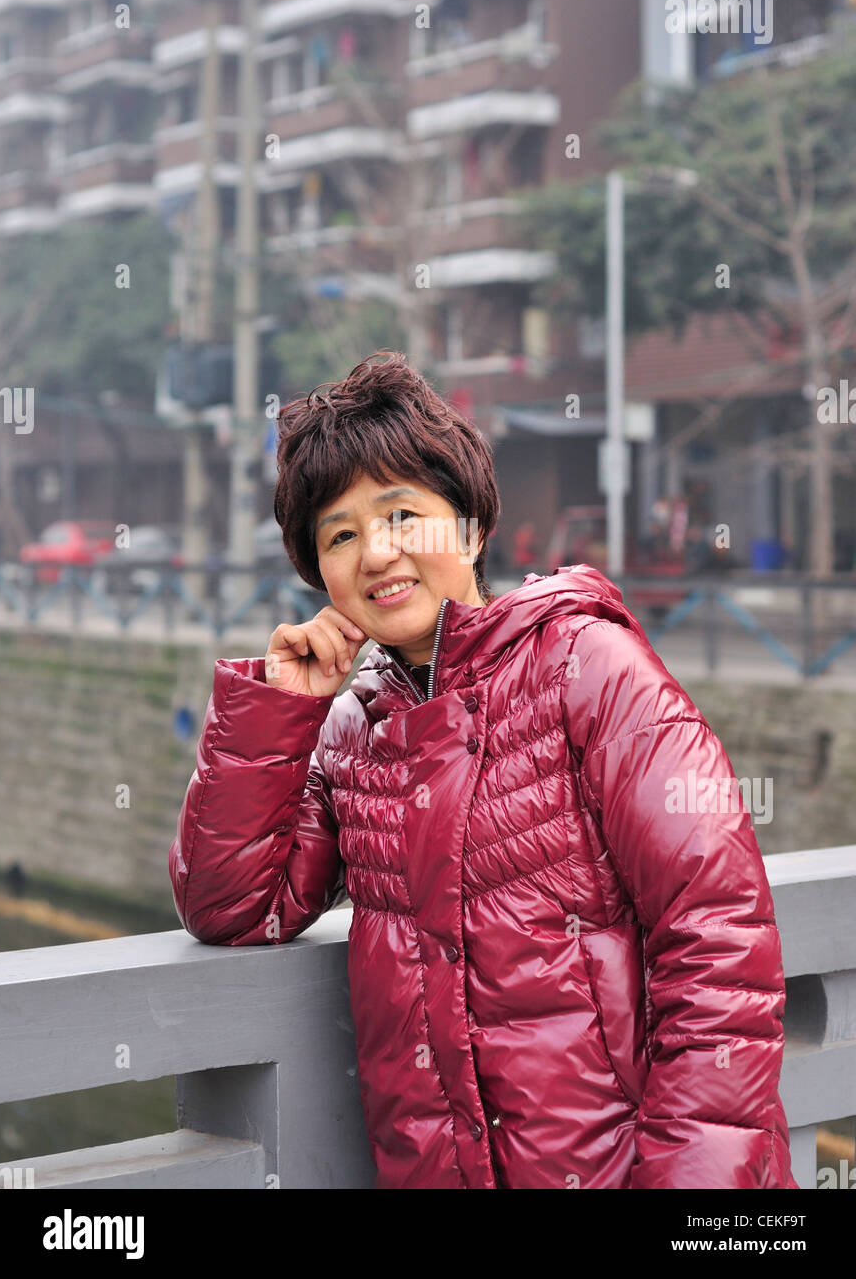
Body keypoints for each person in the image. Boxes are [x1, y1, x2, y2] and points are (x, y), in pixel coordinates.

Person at [168, 350, 798, 1191]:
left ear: (468, 524)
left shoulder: (586, 666)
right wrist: (281, 709)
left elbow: (717, 943)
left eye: (402, 515)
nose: (377, 553)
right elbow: (233, 908)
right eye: (341, 535)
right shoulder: (356, 730)